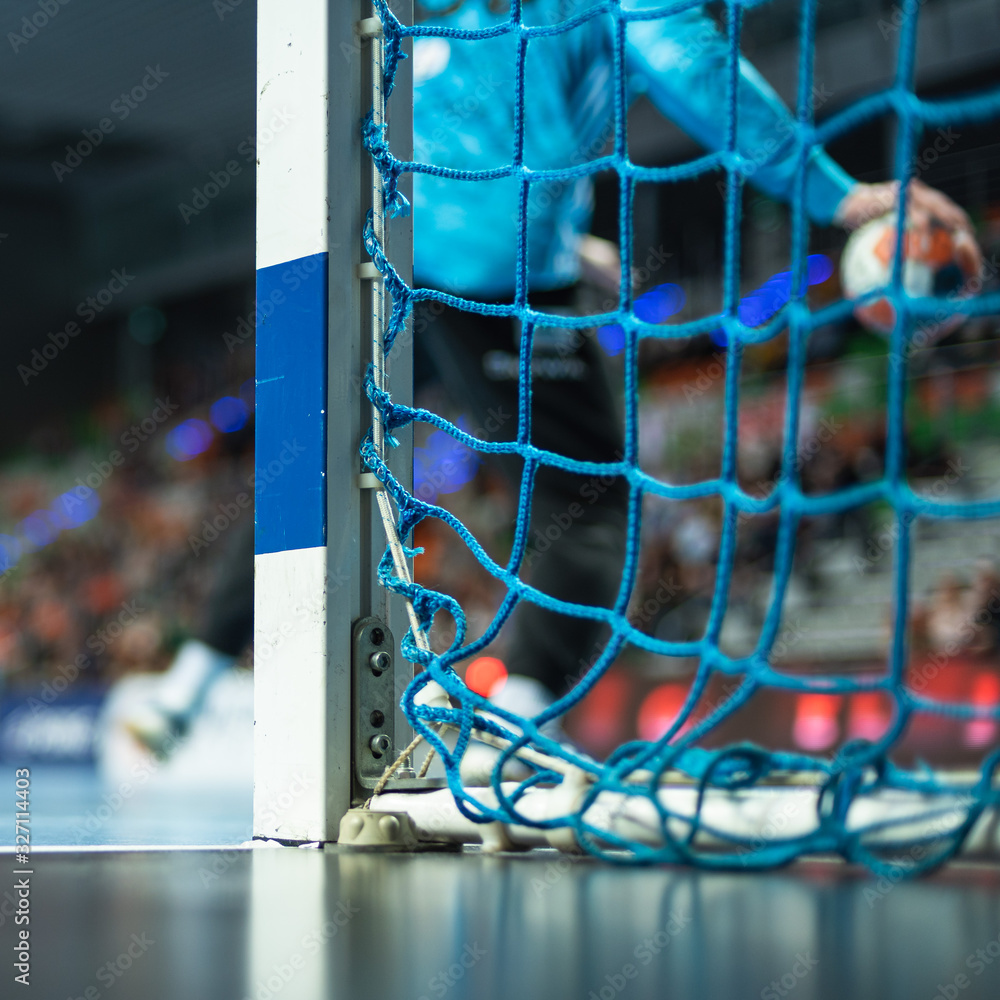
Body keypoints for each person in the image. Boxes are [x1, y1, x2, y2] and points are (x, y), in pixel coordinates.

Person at [407, 0, 979, 741]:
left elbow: (497, 99)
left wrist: (565, 242)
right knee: (589, 509)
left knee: (370, 459)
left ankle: (288, 678)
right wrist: (839, 195)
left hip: (399, 226)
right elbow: (691, 65)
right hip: (486, 268)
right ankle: (508, 723)